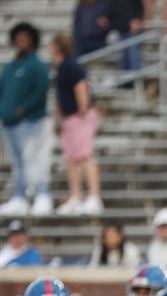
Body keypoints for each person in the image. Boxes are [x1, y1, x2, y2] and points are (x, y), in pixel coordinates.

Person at [1, 22, 53, 218]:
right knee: (17, 161)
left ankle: (42, 194)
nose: (21, 42)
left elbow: (41, 90)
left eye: (25, 38)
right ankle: (19, 196)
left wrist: (24, 109)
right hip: (9, 123)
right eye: (18, 38)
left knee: (35, 159)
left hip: (31, 122)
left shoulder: (36, 65)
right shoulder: (10, 66)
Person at [49, 34, 103, 216]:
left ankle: (94, 196)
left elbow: (81, 87)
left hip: (79, 116)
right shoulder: (62, 66)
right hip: (69, 117)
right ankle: (76, 196)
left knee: (85, 156)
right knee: (71, 159)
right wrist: (59, 119)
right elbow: (59, 95)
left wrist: (82, 110)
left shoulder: (72, 65)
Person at [107, 0, 146, 81]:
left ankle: (137, 84)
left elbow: (140, 8)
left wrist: (137, 20)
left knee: (133, 57)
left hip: (132, 31)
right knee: (123, 59)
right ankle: (125, 84)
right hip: (120, 30)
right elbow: (110, 10)